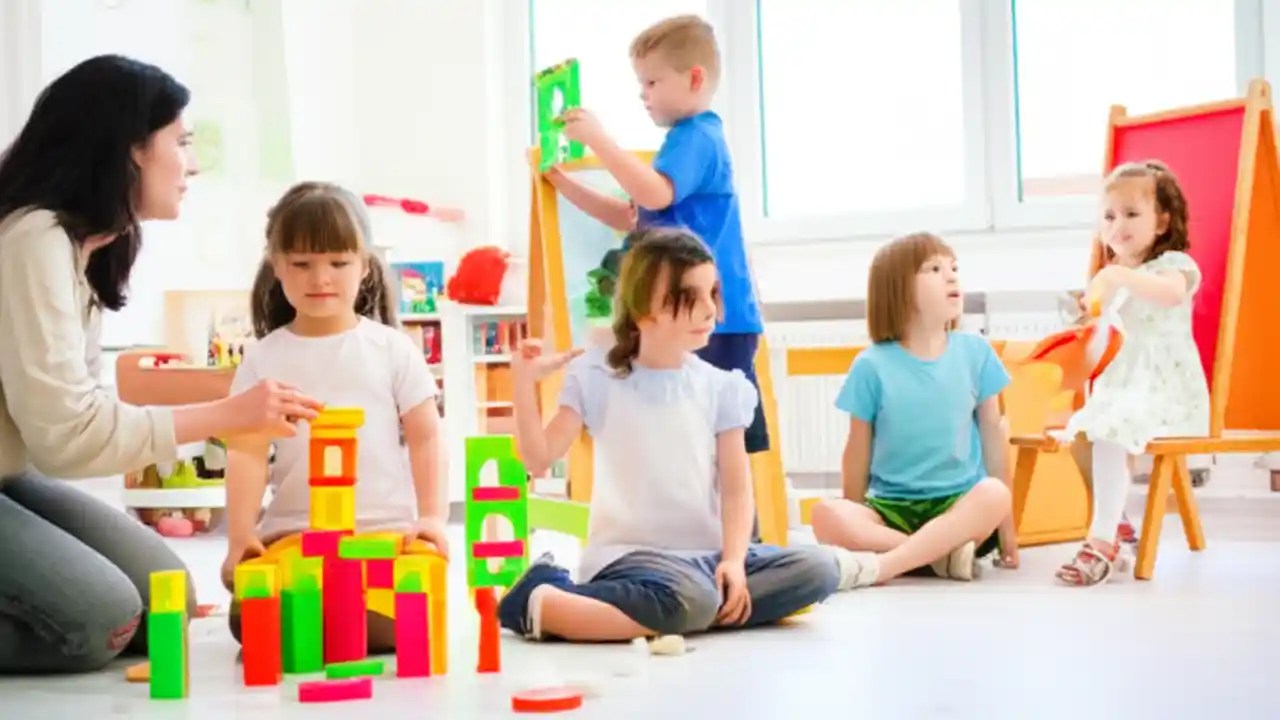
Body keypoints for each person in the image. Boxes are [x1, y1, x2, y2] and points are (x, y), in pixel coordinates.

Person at [0, 54, 322, 674]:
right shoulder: (33, 240)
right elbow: (67, 438)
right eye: (181, 141)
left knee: (164, 601)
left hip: (10, 474)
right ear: (130, 149)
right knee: (99, 621)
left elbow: (67, 420)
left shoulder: (88, 246)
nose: (192, 164)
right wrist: (227, 412)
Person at [496, 227, 839, 643]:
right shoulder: (596, 377)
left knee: (820, 569)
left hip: (707, 561)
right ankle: (542, 598)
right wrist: (522, 385)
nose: (709, 310)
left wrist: (733, 561)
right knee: (694, 598)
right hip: (629, 559)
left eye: (712, 293)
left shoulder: (722, 387)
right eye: (690, 297)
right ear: (644, 309)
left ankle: (659, 611)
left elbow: (736, 491)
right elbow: (537, 459)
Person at [220, 181, 446, 649]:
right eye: (302, 264)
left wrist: (432, 518)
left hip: (384, 538)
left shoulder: (392, 349)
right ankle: (331, 617)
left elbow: (427, 437)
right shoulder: (263, 356)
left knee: (401, 616)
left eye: (338, 263)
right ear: (276, 266)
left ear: (365, 266)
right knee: (250, 621)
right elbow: (247, 452)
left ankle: (334, 619)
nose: (320, 278)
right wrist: (240, 537)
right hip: (295, 537)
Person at [545, 15, 769, 460]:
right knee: (692, 436)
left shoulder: (698, 137)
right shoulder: (679, 145)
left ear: (694, 79)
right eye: (641, 83)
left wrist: (599, 140)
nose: (643, 95)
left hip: (713, 316)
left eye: (651, 82)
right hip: (692, 314)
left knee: (723, 436)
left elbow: (653, 192)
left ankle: (738, 508)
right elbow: (630, 215)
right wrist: (561, 182)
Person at [809, 232, 1016, 587]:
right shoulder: (871, 365)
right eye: (934, 269)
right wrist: (854, 516)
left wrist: (1008, 532)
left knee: (995, 493)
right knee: (825, 514)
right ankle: (939, 557)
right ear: (898, 289)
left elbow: (993, 438)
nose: (951, 276)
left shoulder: (976, 353)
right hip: (891, 510)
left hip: (959, 507)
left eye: (954, 268)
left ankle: (890, 564)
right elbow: (857, 451)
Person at [1055, 160, 1208, 586]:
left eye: (1131, 214)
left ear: (1162, 222)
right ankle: (1117, 524)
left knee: (1107, 426)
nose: (1117, 225)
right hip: (1124, 387)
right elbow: (1105, 334)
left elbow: (1170, 293)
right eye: (1108, 216)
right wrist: (1086, 316)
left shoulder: (1174, 266)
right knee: (1079, 432)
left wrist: (1119, 276)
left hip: (1167, 391)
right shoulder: (1114, 278)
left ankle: (1101, 540)